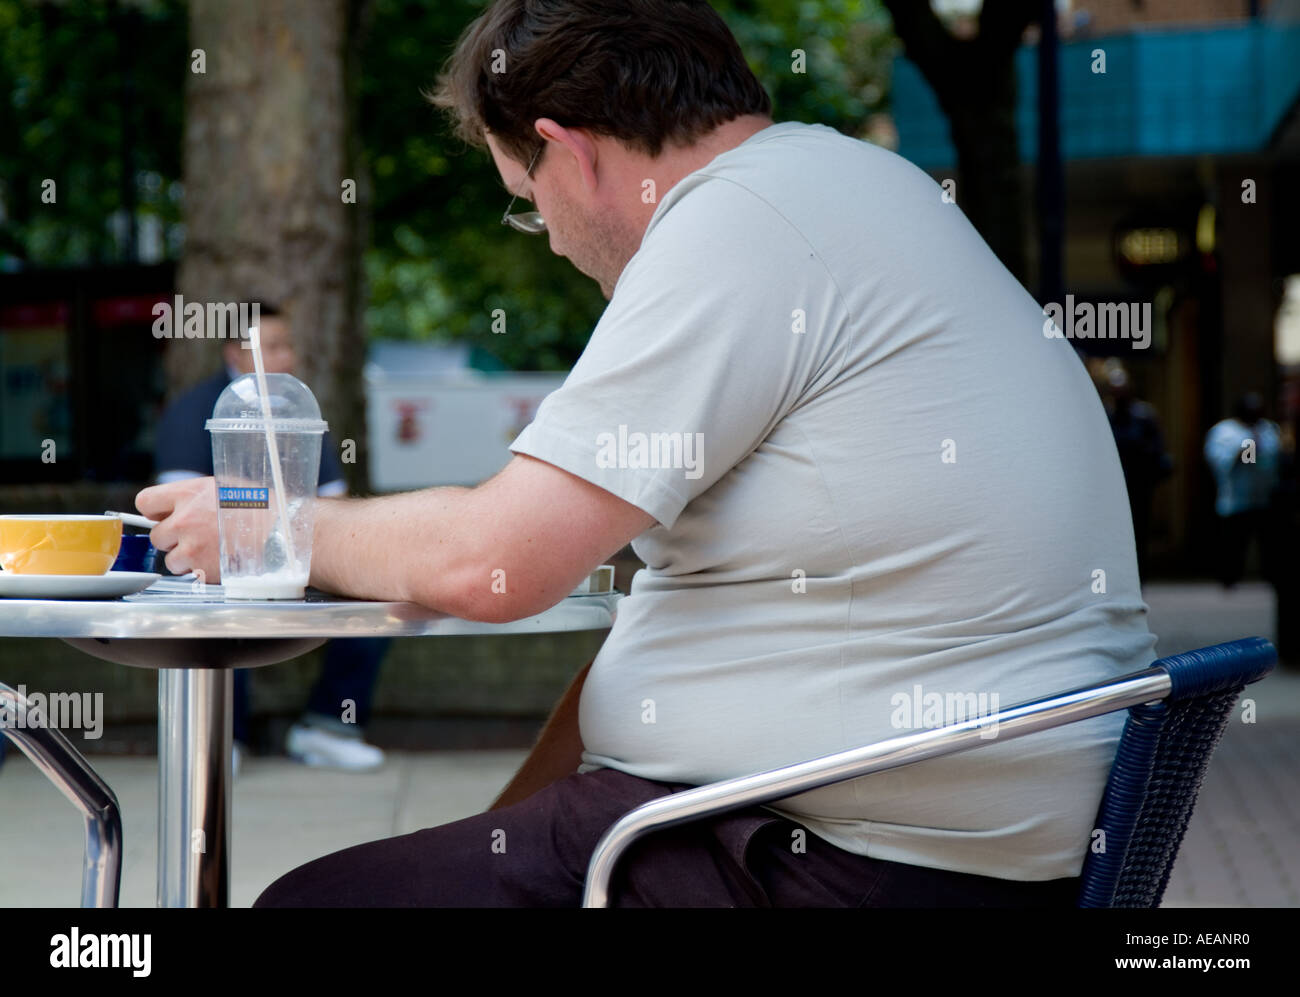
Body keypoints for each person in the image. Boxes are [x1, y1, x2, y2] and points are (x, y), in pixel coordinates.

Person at [136, 0, 1155, 907]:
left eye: (525, 201)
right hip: (943, 834)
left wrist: (271, 525)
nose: (548, 236)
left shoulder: (736, 222)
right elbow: (653, 628)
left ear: (566, 150)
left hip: (852, 856)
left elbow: (490, 562)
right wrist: (504, 831)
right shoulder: (844, 184)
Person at [153, 302, 389, 773]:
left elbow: (334, 506)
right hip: (214, 562)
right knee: (218, 609)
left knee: (372, 592)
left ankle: (329, 725)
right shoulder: (194, 412)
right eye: (274, 346)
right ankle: (223, 736)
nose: (289, 358)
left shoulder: (295, 410)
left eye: (289, 345)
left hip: (293, 556)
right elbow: (178, 513)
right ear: (235, 353)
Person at [1203, 391, 1282, 588]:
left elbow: (1276, 458)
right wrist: (1249, 444)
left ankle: (1271, 577)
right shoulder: (1224, 432)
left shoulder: (1269, 429)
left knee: (1269, 545)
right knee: (1234, 544)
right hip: (1236, 499)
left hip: (1264, 497)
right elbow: (1237, 459)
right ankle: (1229, 579)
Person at [1101, 364, 1172, 582]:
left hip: (1139, 483)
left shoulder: (1144, 416)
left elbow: (1157, 447)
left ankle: (1140, 575)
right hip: (1112, 485)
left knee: (1139, 531)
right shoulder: (1105, 414)